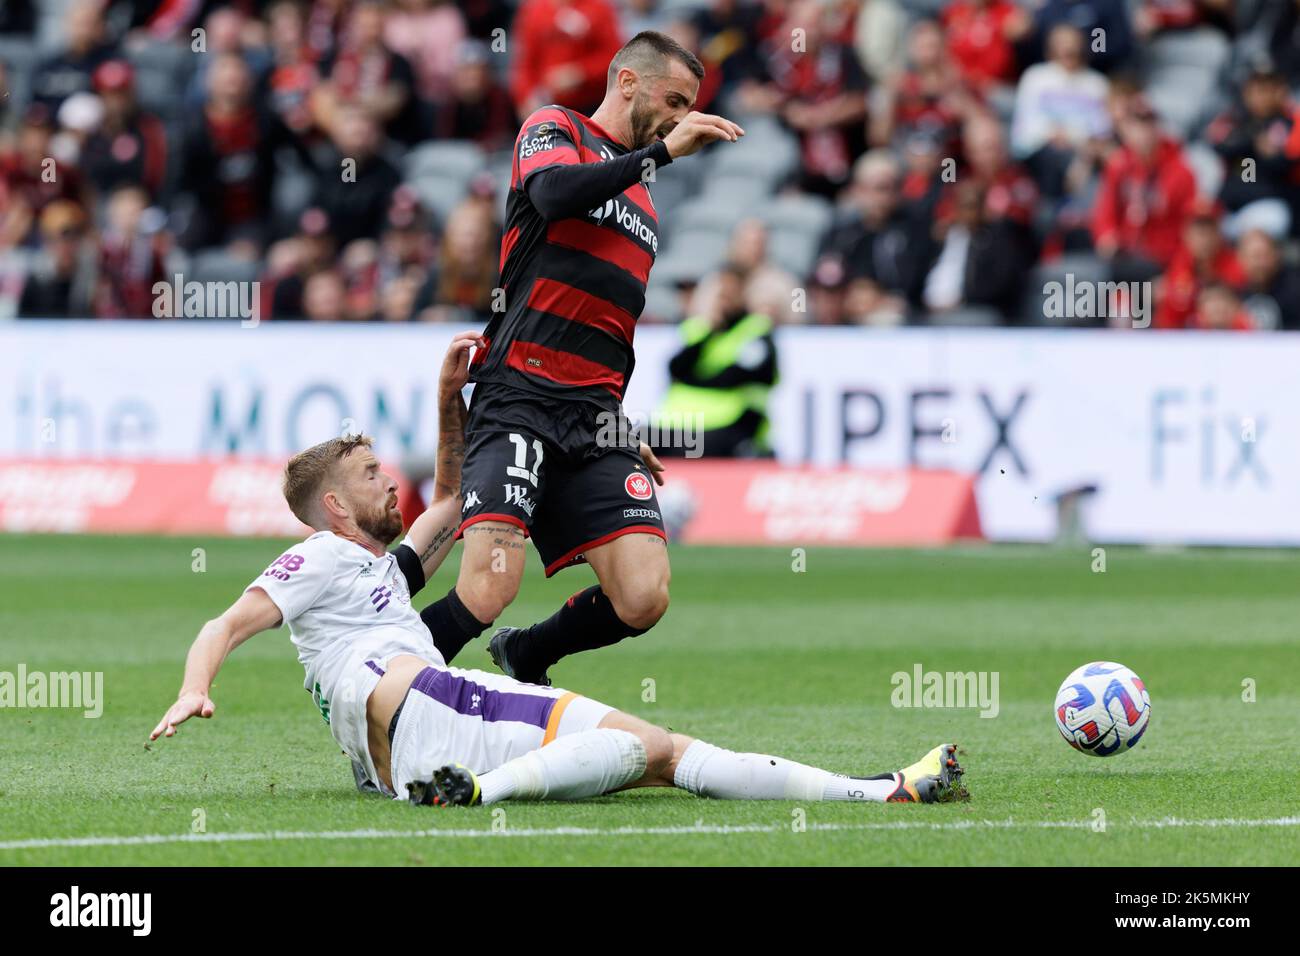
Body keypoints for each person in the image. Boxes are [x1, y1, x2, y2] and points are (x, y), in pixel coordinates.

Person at [149, 333, 967, 808]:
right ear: (332, 505)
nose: (384, 480)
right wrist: (196, 683)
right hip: (428, 704)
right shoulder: (322, 555)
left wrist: (450, 398)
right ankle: (877, 792)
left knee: (649, 763)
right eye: (368, 475)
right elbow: (227, 620)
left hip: (396, 744)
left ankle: (879, 789)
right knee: (654, 746)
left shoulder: (377, 579)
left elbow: (450, 495)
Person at [436, 31, 746, 689]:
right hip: (519, 391)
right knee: (488, 590)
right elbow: (551, 196)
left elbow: (606, 324)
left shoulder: (644, 202)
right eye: (674, 100)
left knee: (644, 595)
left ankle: (527, 653)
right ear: (628, 83)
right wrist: (661, 153)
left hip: (593, 416)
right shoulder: (554, 128)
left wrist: (618, 419)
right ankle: (373, 688)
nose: (681, 117)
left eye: (690, 106)